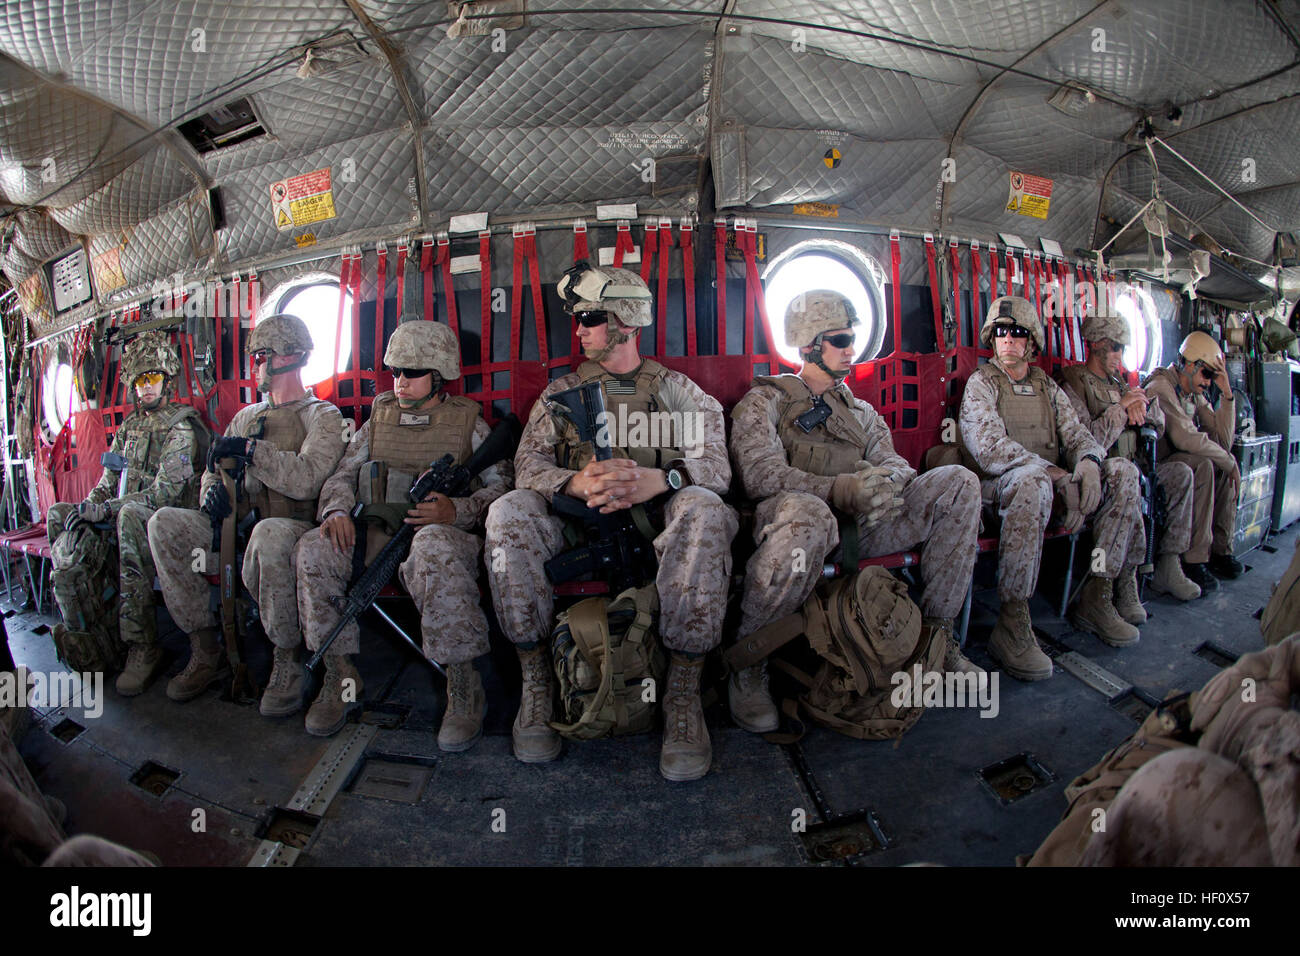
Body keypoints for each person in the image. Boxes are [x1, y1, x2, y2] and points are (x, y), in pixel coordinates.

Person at [484, 263, 737, 781]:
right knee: (507, 511)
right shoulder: (561, 393)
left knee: (707, 509)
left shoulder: (677, 392)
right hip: (578, 524)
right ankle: (535, 681)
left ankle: (683, 693)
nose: (578, 330)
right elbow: (527, 467)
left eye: (590, 318)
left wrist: (662, 480)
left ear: (626, 319)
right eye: (579, 320)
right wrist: (575, 483)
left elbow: (717, 468)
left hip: (659, 526)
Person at [727, 289, 982, 732]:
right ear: (809, 345)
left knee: (958, 482)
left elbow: (896, 463)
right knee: (811, 514)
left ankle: (938, 641)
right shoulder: (765, 401)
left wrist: (883, 486)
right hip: (795, 531)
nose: (852, 350)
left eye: (853, 339)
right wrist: (837, 489)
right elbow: (758, 475)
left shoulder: (861, 412)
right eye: (841, 340)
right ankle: (749, 661)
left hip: (862, 528)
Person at [295, 318, 511, 749]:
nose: (400, 382)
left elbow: (502, 488)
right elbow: (342, 474)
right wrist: (335, 510)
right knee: (313, 550)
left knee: (433, 549)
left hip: (441, 537)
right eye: (395, 372)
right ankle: (340, 675)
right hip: (378, 536)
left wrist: (458, 509)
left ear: (439, 374)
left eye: (412, 373)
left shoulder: (468, 422)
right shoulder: (378, 419)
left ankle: (463, 684)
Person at [148, 313, 346, 714]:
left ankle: (286, 658)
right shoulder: (245, 417)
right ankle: (205, 649)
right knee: (163, 523)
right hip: (238, 526)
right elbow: (214, 469)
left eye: (263, 355)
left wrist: (255, 452)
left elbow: (309, 478)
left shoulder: (322, 416)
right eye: (254, 356)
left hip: (293, 527)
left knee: (269, 534)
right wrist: (211, 495)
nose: (256, 364)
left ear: (293, 356)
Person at [959, 296, 1144, 677]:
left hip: (1052, 486)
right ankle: (1012, 622)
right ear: (992, 339)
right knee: (1032, 482)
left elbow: (1076, 434)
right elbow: (990, 448)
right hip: (999, 491)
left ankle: (1098, 590)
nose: (1008, 339)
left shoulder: (1046, 385)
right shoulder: (982, 383)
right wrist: (1057, 475)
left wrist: (1089, 463)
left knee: (1123, 471)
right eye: (1001, 332)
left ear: (1032, 342)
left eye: (1018, 332)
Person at [47, 331, 210, 696]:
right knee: (60, 514)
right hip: (125, 510)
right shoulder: (128, 429)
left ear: (167, 380)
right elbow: (108, 480)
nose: (145, 387)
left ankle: (142, 645)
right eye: (139, 380)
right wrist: (89, 506)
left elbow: (164, 493)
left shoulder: (180, 428)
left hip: (166, 521)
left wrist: (106, 509)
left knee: (130, 515)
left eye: (152, 378)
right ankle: (92, 633)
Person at [1057, 313, 1201, 608]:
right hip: (1101, 472)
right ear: (1095, 345)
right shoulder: (1073, 384)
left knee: (1181, 474)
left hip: (1136, 465)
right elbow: (1086, 441)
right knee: (1128, 476)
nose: (1120, 355)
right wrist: (1121, 410)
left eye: (1122, 348)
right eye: (1115, 347)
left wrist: (1143, 408)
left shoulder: (1120, 383)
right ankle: (1122, 580)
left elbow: (1158, 426)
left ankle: (1169, 564)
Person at [1142, 331, 1243, 592]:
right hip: (1158, 467)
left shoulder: (1193, 393)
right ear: (1189, 365)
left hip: (1181, 463)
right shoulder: (1162, 388)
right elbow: (1185, 438)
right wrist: (1228, 461)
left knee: (1219, 463)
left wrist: (1227, 396)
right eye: (1206, 375)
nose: (1208, 382)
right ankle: (1194, 559)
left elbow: (1222, 441)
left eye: (1212, 376)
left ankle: (1220, 550)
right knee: (1206, 463)